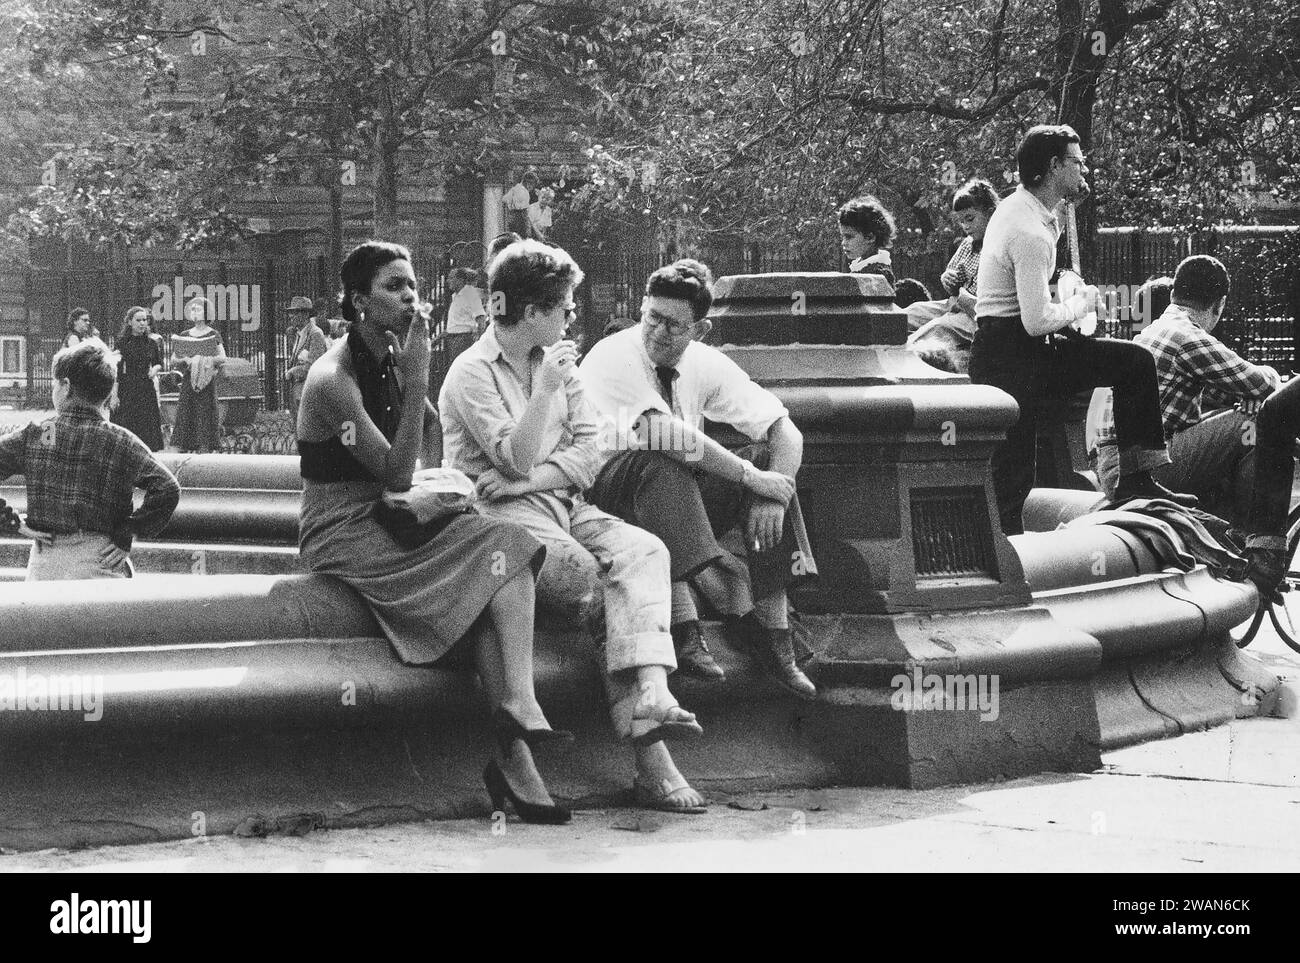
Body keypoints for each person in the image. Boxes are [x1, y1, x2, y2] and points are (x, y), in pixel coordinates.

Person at [297, 240, 567, 825]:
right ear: (358, 300)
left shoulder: (391, 358)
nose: (410, 298)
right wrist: (421, 372)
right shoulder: (331, 377)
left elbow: (423, 438)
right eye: (394, 286)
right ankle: (516, 746)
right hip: (344, 531)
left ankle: (518, 723)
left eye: (413, 285)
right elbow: (394, 469)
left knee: (509, 551)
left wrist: (438, 486)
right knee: (495, 559)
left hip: (392, 512)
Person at [440, 239, 708, 814]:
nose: (570, 318)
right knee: (596, 582)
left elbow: (592, 450)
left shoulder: (558, 362)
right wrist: (540, 408)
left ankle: (655, 696)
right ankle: (650, 755)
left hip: (557, 502)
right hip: (500, 523)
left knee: (646, 552)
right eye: (562, 307)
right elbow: (513, 455)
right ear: (531, 312)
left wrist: (528, 480)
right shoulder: (471, 373)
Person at [580, 259, 819, 700]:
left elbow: (785, 429)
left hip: (676, 498)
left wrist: (775, 494)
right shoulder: (612, 354)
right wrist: (749, 477)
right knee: (664, 459)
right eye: (652, 317)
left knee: (768, 460)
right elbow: (660, 432)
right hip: (608, 495)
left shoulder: (705, 362)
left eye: (674, 325)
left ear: (701, 330)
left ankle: (777, 641)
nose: (658, 331)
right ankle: (684, 626)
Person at [968, 124, 1193, 535]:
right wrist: (1080, 303)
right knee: (1014, 472)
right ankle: (1003, 557)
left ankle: (1136, 478)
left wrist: (1069, 209)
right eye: (1077, 161)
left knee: (1132, 361)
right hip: (1012, 357)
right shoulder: (1028, 229)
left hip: (1012, 351)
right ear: (1054, 166)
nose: (1084, 167)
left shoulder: (1027, 210)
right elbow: (1036, 321)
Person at [1090, 255, 1299, 594]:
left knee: (1245, 419)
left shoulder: (1156, 329)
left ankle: (1234, 536)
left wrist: (1246, 396)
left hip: (1118, 463)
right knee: (1253, 419)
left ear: (1175, 292)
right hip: (1143, 467)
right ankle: (1255, 545)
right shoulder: (1187, 336)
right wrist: (1261, 391)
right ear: (1219, 304)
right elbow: (1263, 386)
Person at [0, 339, 179, 579]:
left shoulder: (40, 433)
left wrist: (10, 521)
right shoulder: (120, 440)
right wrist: (130, 529)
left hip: (45, 563)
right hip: (101, 559)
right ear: (106, 391)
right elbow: (167, 487)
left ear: (65, 386)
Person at [906, 178, 1000, 372]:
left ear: (990, 214)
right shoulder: (968, 243)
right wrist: (948, 279)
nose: (965, 226)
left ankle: (897, 360)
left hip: (974, 315)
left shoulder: (1000, 245)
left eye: (970, 218)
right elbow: (951, 276)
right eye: (961, 221)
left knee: (934, 329)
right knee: (911, 313)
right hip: (954, 303)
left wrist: (964, 297)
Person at [170, 297, 226, 453]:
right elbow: (173, 359)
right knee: (187, 412)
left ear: (207, 312)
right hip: (189, 380)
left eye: (199, 309)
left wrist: (202, 359)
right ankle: (184, 446)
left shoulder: (213, 334)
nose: (195, 312)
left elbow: (222, 357)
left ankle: (205, 447)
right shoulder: (185, 334)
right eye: (192, 309)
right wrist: (186, 359)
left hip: (206, 381)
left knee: (205, 413)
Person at [111, 306, 165, 450]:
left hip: (146, 388)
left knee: (147, 429)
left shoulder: (152, 343)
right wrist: (114, 395)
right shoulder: (122, 343)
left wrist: (154, 369)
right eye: (138, 320)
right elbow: (116, 369)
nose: (142, 323)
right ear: (129, 322)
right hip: (127, 388)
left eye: (144, 320)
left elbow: (159, 363)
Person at [285, 295, 328, 428]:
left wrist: (293, 371)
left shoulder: (315, 334)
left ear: (305, 314)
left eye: (295, 312)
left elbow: (313, 365)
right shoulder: (297, 334)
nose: (291, 316)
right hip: (297, 388)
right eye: (291, 312)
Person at [837, 195, 896, 287]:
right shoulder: (862, 266)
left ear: (870, 237)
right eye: (843, 237)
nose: (843, 243)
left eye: (849, 237)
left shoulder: (878, 272)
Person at [444, 267, 487, 364]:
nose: (448, 281)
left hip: (463, 339)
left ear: (460, 280)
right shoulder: (456, 295)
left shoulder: (469, 293)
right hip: (454, 339)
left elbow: (481, 318)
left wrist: (480, 342)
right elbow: (456, 322)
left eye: (451, 278)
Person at [503, 171, 538, 238]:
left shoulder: (514, 188)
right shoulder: (525, 193)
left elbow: (504, 199)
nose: (532, 187)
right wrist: (528, 230)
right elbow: (525, 213)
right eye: (533, 184)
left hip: (511, 218)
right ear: (528, 183)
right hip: (520, 220)